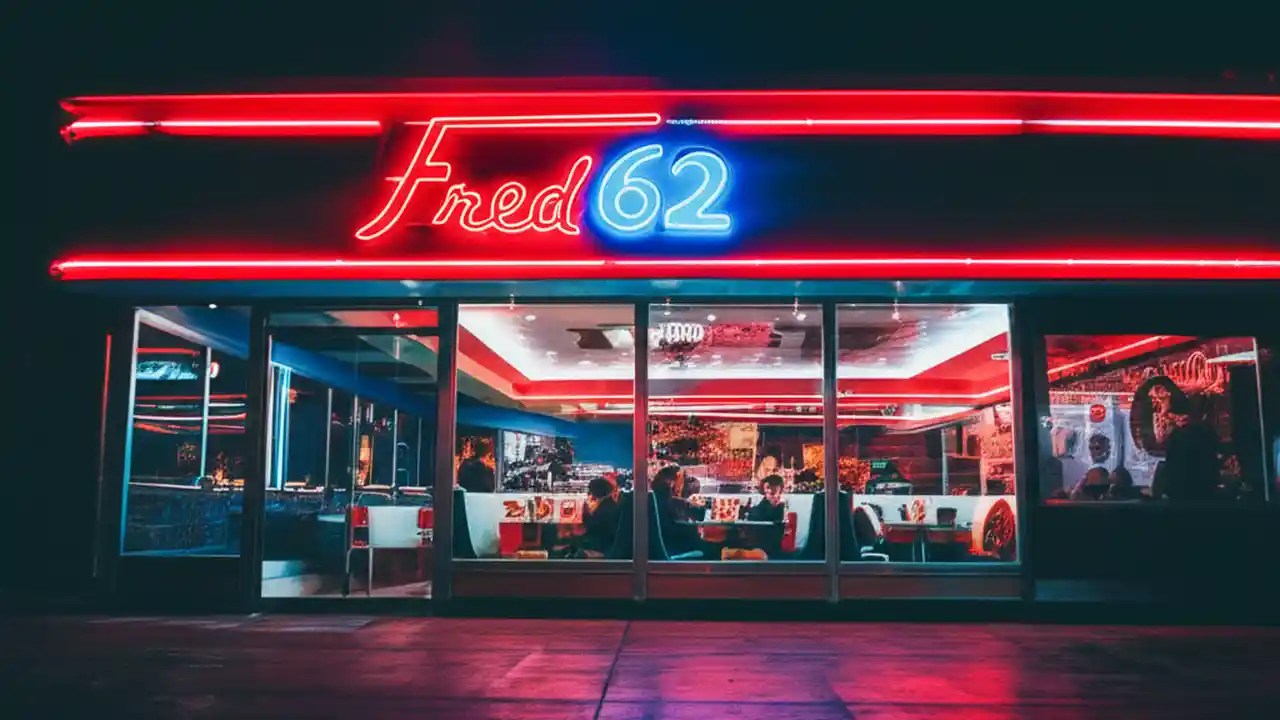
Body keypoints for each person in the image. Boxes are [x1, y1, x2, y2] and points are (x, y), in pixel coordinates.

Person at [652, 464, 705, 556]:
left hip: (655, 554)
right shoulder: (677, 504)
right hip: (680, 551)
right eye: (682, 479)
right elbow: (701, 515)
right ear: (673, 482)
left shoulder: (649, 501)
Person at [577, 475, 621, 556]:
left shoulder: (605, 508)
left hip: (601, 548)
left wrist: (585, 513)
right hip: (605, 546)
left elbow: (592, 527)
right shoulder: (609, 505)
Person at [1070, 434, 1112, 500]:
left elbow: (1075, 495)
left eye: (1097, 448)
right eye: (1091, 448)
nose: (1092, 452)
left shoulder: (1097, 471)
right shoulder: (1096, 470)